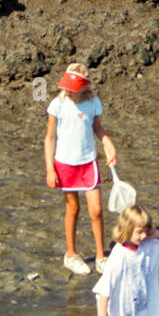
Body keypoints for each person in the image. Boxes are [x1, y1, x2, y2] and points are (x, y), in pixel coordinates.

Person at [44, 62, 117, 274]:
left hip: (88, 162)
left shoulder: (93, 103)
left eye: (75, 87)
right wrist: (50, 168)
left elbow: (98, 129)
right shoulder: (57, 105)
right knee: (73, 208)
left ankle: (101, 256)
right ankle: (71, 255)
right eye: (68, 86)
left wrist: (108, 144)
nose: (70, 91)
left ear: (85, 86)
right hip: (65, 164)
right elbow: (49, 138)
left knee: (96, 210)